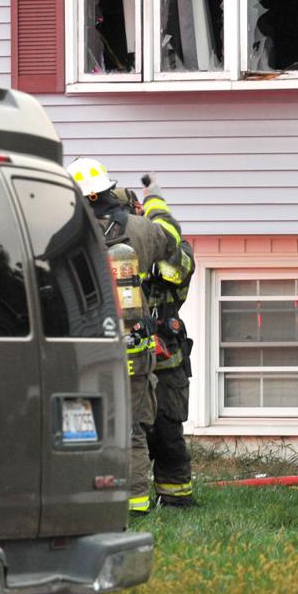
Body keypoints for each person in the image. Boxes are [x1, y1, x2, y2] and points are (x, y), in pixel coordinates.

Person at [67, 157, 183, 516]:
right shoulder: (139, 228)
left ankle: (87, 500)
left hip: (83, 350)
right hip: (134, 348)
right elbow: (173, 240)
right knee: (131, 428)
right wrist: (155, 201)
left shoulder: (65, 232)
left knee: (81, 428)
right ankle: (134, 504)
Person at [143, 233, 196, 508]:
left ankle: (176, 498)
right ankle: (131, 499)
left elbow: (182, 267)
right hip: (121, 364)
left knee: (168, 433)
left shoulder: (172, 246)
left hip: (167, 367)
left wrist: (152, 256)